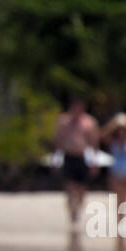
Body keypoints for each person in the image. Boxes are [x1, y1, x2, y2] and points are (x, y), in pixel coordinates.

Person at [54, 96, 99, 225]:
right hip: (68, 156)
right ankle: (72, 211)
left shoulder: (89, 122)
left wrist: (94, 162)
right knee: (69, 186)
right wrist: (55, 158)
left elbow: (94, 143)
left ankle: (77, 208)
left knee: (81, 188)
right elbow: (58, 140)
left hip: (82, 157)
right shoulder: (64, 121)